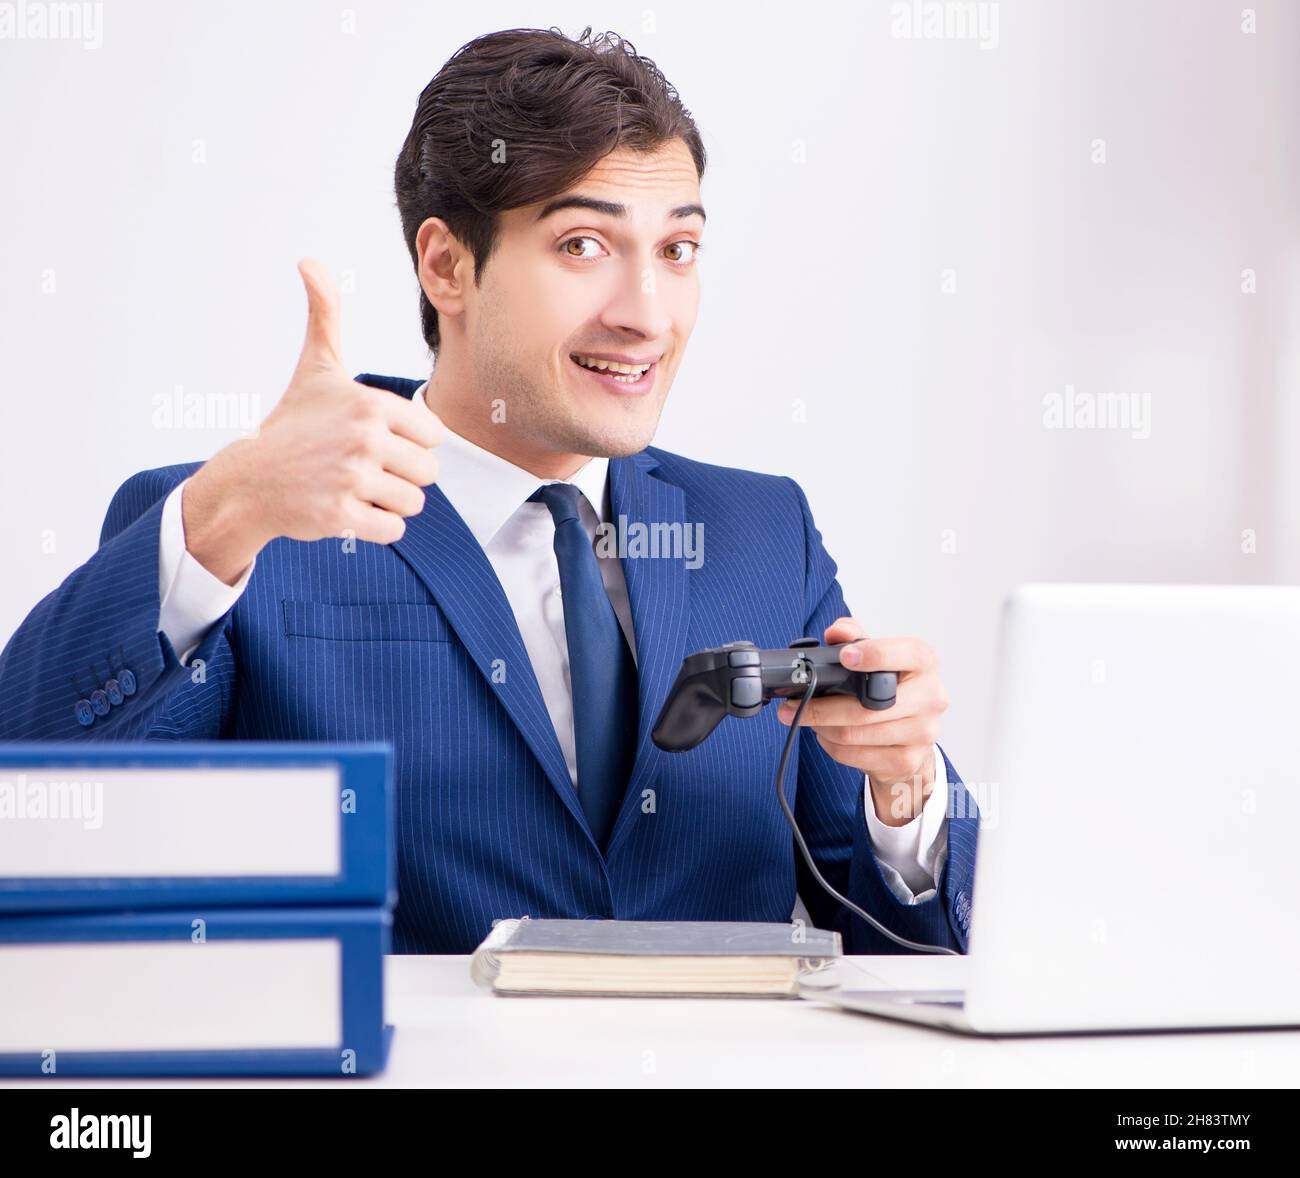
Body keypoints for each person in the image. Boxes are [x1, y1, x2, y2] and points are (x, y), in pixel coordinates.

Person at [0, 27, 977, 953]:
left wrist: (903, 794)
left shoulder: (765, 533)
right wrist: (223, 513)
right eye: (583, 247)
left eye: (676, 250)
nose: (646, 315)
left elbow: (904, 949)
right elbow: (35, 829)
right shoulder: (248, 522)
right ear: (446, 265)